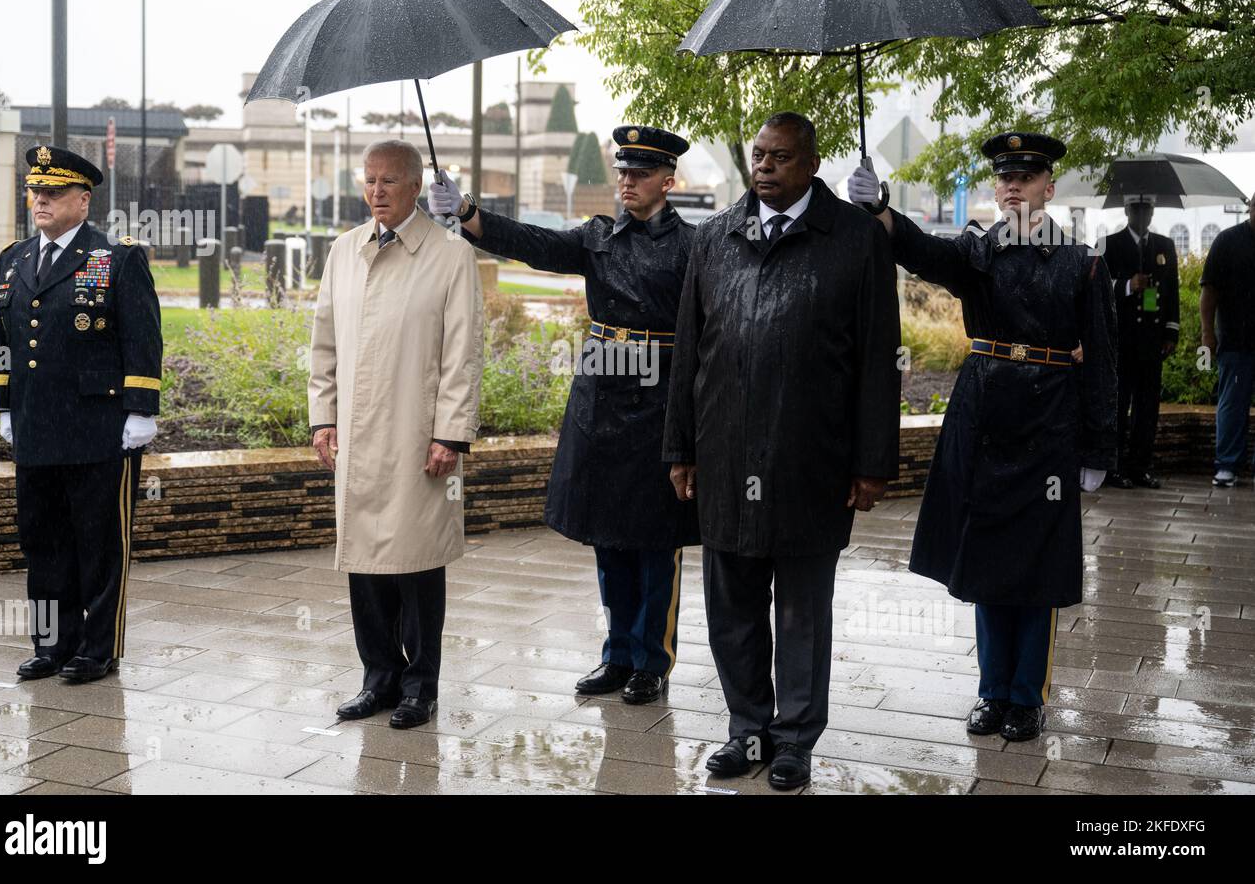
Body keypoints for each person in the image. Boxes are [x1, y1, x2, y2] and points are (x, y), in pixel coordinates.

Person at [849, 131, 1117, 743]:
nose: (1012, 187)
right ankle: (992, 690)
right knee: (987, 558)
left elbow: (1102, 362)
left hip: (1048, 419)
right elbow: (922, 252)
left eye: (1025, 178)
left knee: (1038, 563)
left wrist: (1098, 449)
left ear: (1049, 188)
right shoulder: (977, 252)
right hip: (985, 414)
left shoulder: (1083, 262)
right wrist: (880, 210)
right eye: (1004, 178)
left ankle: (1028, 696)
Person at [663, 112, 901, 790]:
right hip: (726, 454)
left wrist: (872, 461)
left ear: (813, 164)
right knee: (732, 608)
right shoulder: (714, 238)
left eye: (780, 157)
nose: (764, 167)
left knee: (800, 612)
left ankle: (794, 739)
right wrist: (680, 446)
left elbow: (877, 360)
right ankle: (747, 729)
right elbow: (690, 352)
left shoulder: (855, 240)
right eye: (758, 156)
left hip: (811, 458)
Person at [430, 125, 700, 705]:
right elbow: (537, 243)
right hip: (601, 397)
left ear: (667, 181)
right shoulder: (599, 235)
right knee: (609, 537)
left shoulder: (692, 246)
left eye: (641, 173)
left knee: (656, 541)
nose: (627, 180)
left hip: (660, 401)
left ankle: (653, 661)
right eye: (622, 171)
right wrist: (469, 212)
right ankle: (618, 653)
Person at [307, 140, 483, 728]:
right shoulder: (343, 252)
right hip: (357, 436)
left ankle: (420, 685)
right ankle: (377, 677)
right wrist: (322, 416)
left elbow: (463, 354)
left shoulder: (450, 256)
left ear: (416, 188)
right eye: (369, 181)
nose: (376, 191)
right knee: (363, 562)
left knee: (416, 562)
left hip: (417, 436)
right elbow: (324, 343)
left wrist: (451, 434)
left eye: (389, 182)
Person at [0, 145, 161, 684]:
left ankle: (98, 648)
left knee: (100, 542)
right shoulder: (14, 258)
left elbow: (143, 337)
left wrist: (141, 409)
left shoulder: (117, 257)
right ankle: (51, 644)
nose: (40, 199)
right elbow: (5, 341)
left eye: (54, 192)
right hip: (36, 424)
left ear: (83, 200)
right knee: (41, 540)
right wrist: (4, 403)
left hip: (99, 428)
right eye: (35, 191)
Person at [1103, 194, 1179, 489]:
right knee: (1120, 407)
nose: (1143, 213)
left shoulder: (1163, 246)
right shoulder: (1108, 244)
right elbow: (1096, 288)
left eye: (1147, 208)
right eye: (1137, 208)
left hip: (1151, 341)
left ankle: (1140, 467)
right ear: (1126, 210)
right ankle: (1116, 467)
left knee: (1148, 408)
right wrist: (1127, 285)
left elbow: (1171, 291)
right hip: (1122, 340)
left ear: (1153, 210)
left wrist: (1171, 332)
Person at [1200, 195, 1255, 487]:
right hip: (1235, 340)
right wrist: (1207, 334)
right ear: (1251, 209)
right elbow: (1208, 293)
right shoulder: (1227, 241)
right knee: (1232, 404)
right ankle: (1227, 464)